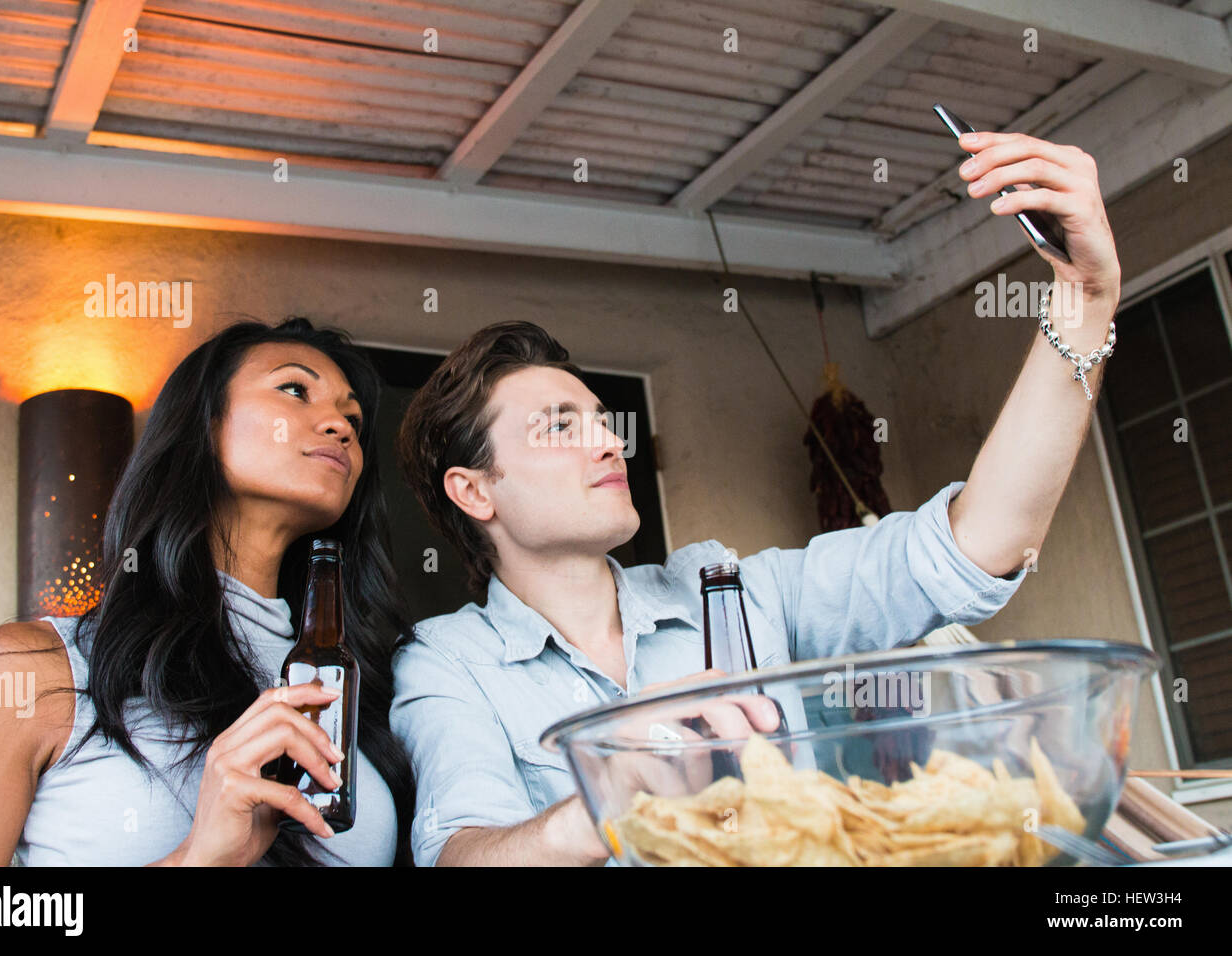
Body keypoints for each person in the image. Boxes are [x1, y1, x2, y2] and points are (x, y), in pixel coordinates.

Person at [390, 129, 1123, 866]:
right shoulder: (446, 664)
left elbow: (977, 544)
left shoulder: (738, 593)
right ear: (475, 490)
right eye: (560, 426)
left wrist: (1085, 298)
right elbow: (460, 855)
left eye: (604, 422)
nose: (610, 442)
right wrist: (612, 793)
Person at [0, 318, 415, 865]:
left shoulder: (361, 696)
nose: (340, 426)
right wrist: (196, 858)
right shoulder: (30, 672)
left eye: (352, 418)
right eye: (295, 390)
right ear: (204, 426)